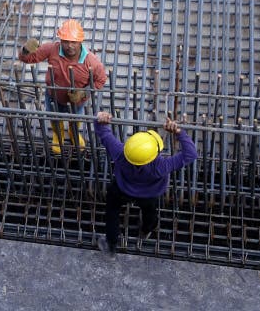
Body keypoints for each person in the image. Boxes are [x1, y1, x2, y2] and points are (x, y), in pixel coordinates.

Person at [94, 111, 198, 255]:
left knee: (112, 210)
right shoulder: (160, 165)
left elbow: (103, 132)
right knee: (150, 211)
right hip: (149, 194)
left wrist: (101, 119)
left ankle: (111, 244)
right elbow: (191, 154)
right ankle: (146, 230)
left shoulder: (120, 153)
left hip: (122, 189)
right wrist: (179, 133)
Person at [19, 19, 107, 153]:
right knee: (55, 117)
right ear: (60, 40)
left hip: (76, 101)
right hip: (53, 96)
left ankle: (73, 133)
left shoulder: (92, 62)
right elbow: (27, 59)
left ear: (80, 42)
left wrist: (84, 93)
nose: (69, 46)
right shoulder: (52, 49)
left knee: (75, 118)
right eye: (65, 41)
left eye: (74, 42)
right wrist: (25, 50)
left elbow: (100, 80)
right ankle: (58, 135)